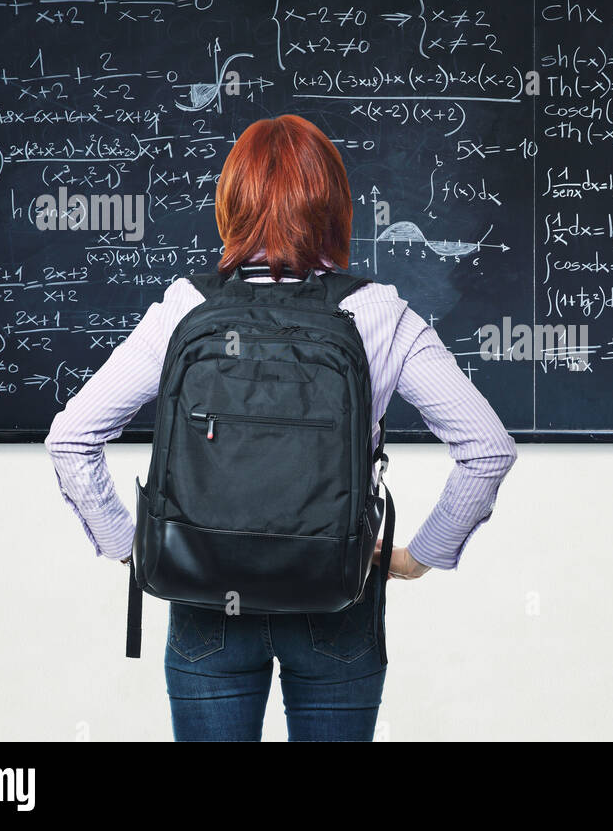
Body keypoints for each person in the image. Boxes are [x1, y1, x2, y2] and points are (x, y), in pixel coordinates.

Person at [45, 114, 518, 741]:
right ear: (335, 206)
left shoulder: (189, 307)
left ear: (232, 201)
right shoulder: (377, 311)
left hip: (205, 596)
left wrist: (138, 548)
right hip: (336, 600)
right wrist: (416, 558)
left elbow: (71, 438)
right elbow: (487, 448)